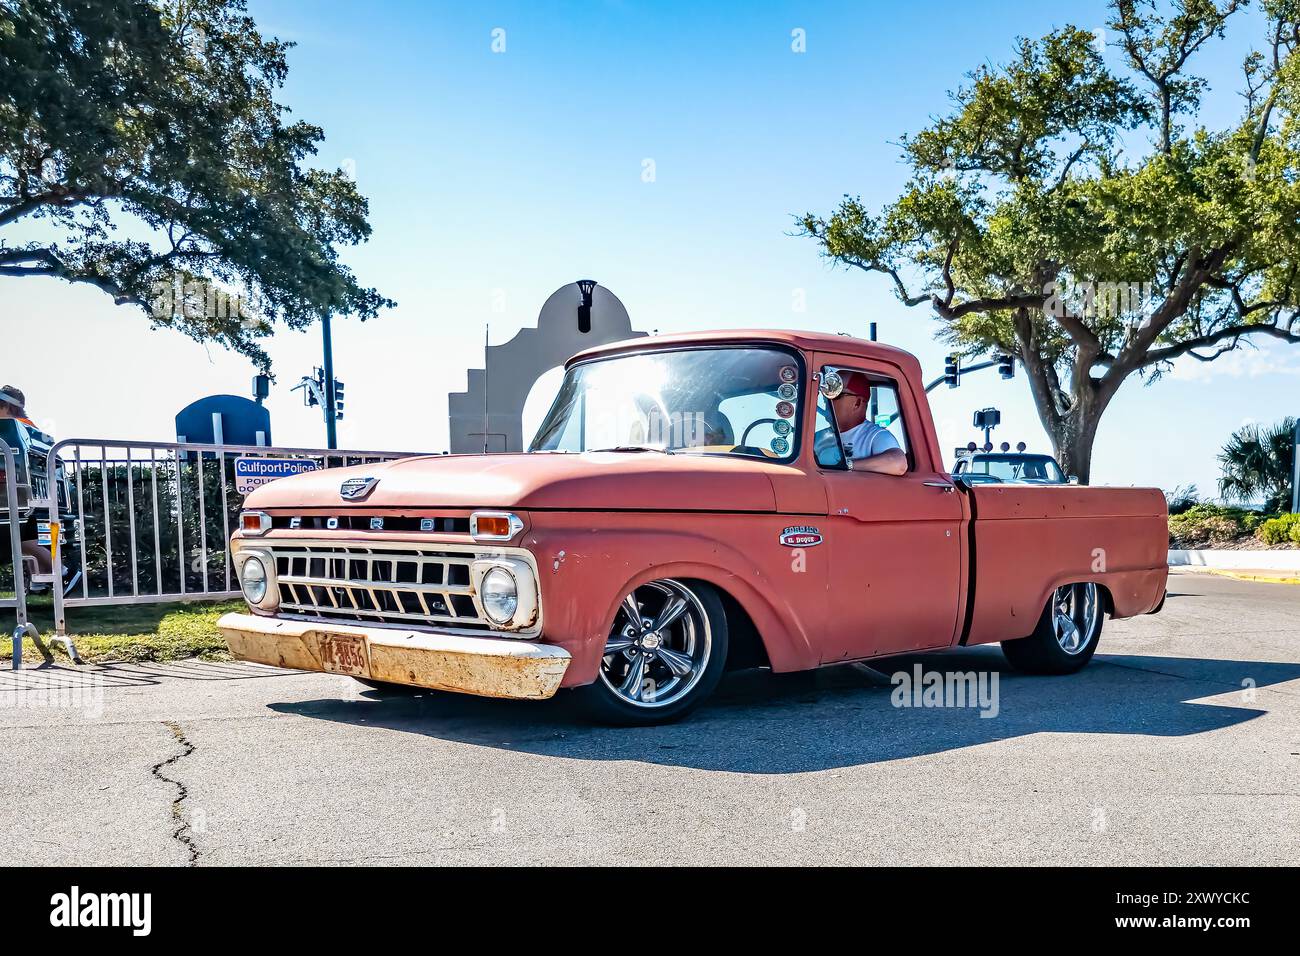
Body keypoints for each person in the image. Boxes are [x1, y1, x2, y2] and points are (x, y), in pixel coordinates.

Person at [0, 386, 54, 579]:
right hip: (38, 499)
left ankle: (63, 572)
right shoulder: (30, 429)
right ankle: (41, 580)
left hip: (20, 498)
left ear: (6, 406)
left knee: (23, 541)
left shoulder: (11, 429)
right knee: (29, 541)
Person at [826, 371, 908, 475]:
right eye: (826, 394)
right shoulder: (818, 437)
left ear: (857, 403)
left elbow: (899, 464)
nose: (827, 400)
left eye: (835, 394)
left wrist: (846, 465)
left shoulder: (876, 436)